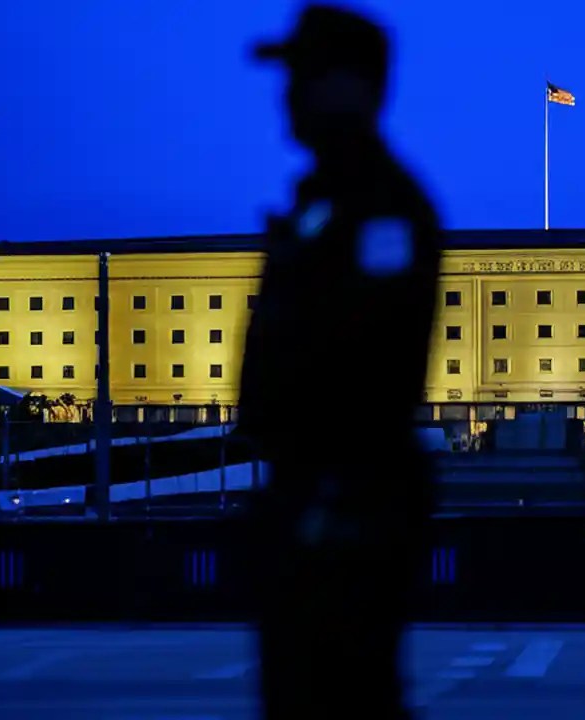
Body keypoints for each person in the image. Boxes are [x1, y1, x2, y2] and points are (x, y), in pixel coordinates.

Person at [238, 5, 442, 718]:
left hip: (346, 499)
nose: (285, 92)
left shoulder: (380, 207)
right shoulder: (328, 201)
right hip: (318, 493)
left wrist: (332, 496)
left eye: (302, 75)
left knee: (339, 692)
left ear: (351, 87)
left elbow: (369, 361)